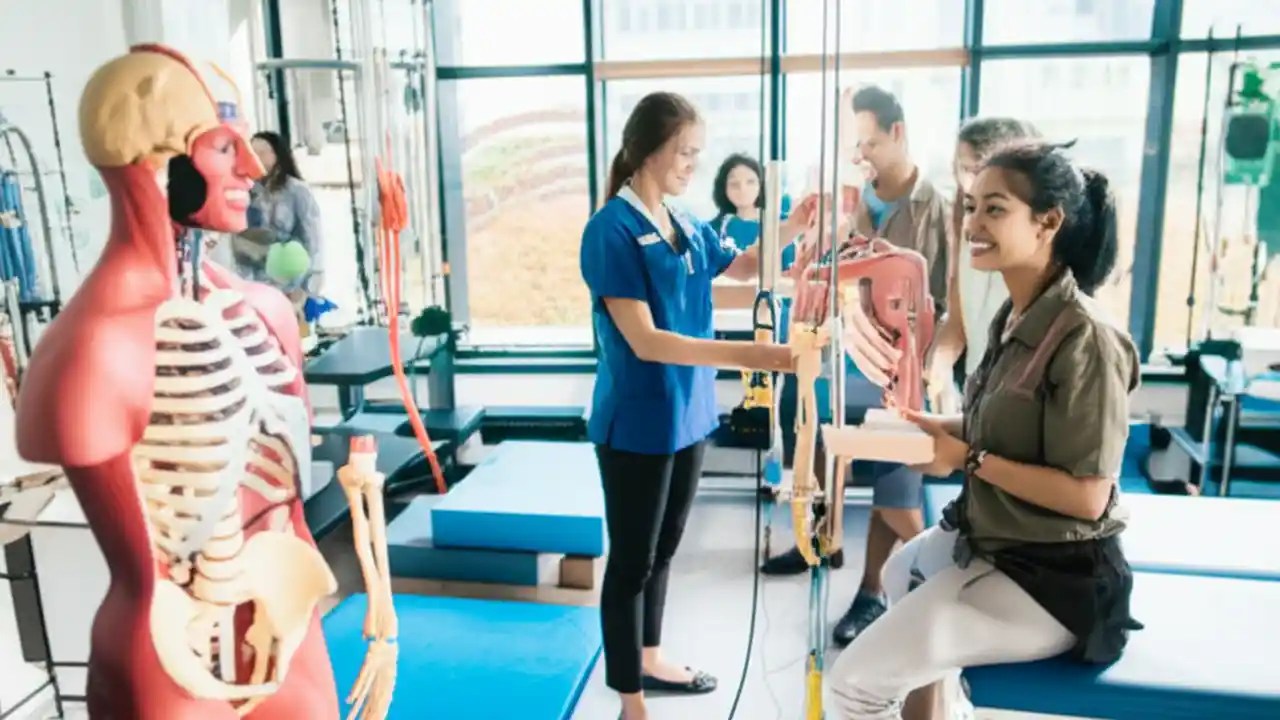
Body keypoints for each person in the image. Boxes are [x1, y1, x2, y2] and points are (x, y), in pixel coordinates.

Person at [826, 140, 1142, 720]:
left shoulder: (1085, 337)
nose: (972, 223)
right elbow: (1000, 424)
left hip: (1055, 581)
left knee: (851, 684)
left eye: (994, 209)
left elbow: (1087, 494)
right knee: (903, 570)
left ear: (1048, 222)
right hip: (998, 542)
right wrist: (930, 429)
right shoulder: (1015, 314)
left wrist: (967, 458)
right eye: (970, 206)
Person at [579, 91, 818, 720]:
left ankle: (651, 658)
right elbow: (646, 340)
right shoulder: (611, 230)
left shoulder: (681, 219)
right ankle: (629, 698)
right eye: (685, 152)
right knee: (631, 560)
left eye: (696, 153)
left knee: (664, 550)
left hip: (689, 414)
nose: (692, 163)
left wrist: (792, 228)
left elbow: (738, 267)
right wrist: (760, 357)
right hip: (636, 420)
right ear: (647, 150)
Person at [763, 85, 952, 651]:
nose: (861, 155)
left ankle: (875, 591)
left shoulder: (937, 211)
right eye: (854, 145)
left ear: (897, 133)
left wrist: (933, 376)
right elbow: (805, 272)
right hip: (833, 360)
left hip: (899, 370)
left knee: (896, 498)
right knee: (811, 444)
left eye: (869, 142)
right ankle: (813, 537)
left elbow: (946, 303)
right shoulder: (844, 201)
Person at [925, 117, 1041, 413]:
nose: (973, 180)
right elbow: (957, 321)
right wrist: (938, 368)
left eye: (981, 169)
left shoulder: (1037, 243)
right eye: (965, 168)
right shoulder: (962, 223)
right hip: (977, 399)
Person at [237, 131, 324, 303]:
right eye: (252, 154)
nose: (256, 158)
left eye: (261, 153)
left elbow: (313, 239)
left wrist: (307, 286)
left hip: (291, 282)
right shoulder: (243, 191)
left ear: (277, 155)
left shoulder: (297, 191)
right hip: (252, 284)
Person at [710, 153, 766, 250]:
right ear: (724, 188)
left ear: (761, 185)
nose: (742, 189)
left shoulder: (775, 228)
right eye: (734, 184)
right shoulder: (711, 231)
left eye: (750, 182)